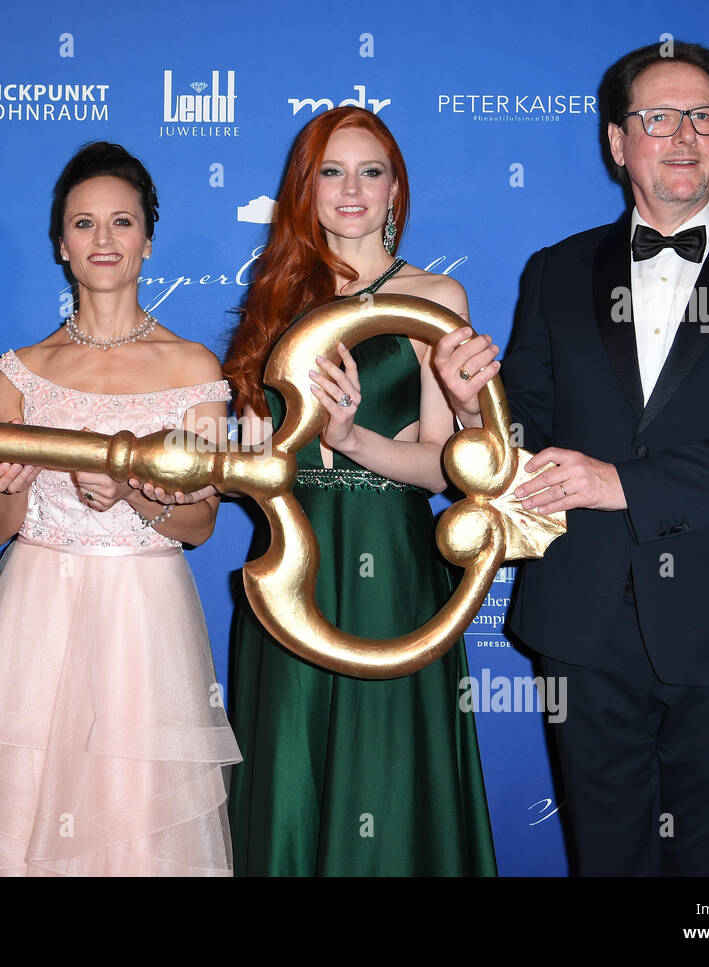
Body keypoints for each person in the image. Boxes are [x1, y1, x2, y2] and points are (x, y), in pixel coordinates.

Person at [435, 41, 709, 876]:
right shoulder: (555, 272)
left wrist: (624, 484)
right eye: (658, 118)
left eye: (703, 116)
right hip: (584, 631)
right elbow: (523, 442)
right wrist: (469, 398)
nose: (684, 135)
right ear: (618, 143)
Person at [0, 142, 240, 876]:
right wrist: (15, 480)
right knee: (16, 812)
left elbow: (202, 524)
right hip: (35, 611)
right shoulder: (21, 369)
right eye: (84, 224)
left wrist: (131, 493)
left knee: (134, 811)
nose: (103, 240)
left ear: (147, 239)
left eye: (120, 222)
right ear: (61, 243)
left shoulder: (195, 369)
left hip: (143, 613)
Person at [222, 106, 497, 876]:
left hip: (390, 564)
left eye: (370, 171)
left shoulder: (433, 295)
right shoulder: (276, 295)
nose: (351, 190)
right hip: (290, 559)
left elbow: (444, 463)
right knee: (291, 764)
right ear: (304, 190)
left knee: (385, 762)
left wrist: (351, 440)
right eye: (330, 173)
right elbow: (261, 452)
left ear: (395, 188)